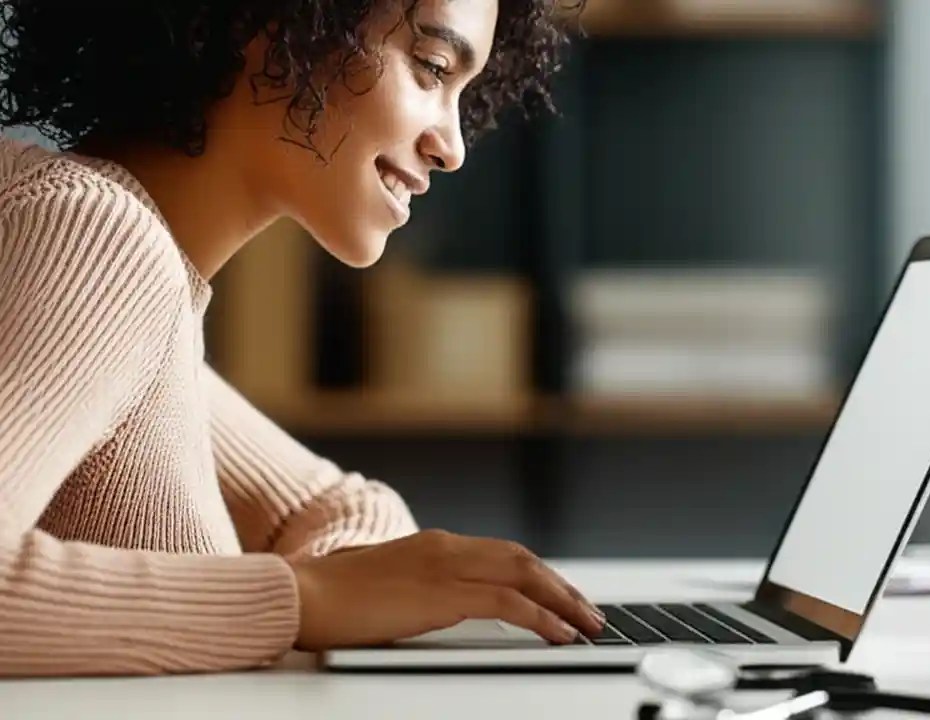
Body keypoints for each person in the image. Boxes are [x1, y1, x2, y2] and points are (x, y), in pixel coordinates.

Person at [0, 0, 605, 677]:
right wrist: (303, 601)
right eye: (431, 68)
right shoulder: (96, 243)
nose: (454, 146)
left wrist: (351, 588)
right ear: (274, 26)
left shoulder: (135, 280)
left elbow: (345, 504)